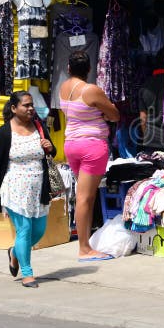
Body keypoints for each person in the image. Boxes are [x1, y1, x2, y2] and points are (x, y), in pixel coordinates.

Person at [0, 91, 56, 288]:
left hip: (38, 189)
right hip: (15, 188)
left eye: (31, 104)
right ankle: (27, 273)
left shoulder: (39, 127)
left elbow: (52, 151)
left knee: (39, 231)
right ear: (14, 108)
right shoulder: (4, 133)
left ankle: (14, 252)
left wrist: (50, 147)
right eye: (26, 105)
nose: (30, 108)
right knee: (24, 229)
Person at [59, 50, 120, 261]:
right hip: (91, 146)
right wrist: (104, 113)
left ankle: (86, 243)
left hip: (71, 145)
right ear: (89, 69)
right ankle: (84, 248)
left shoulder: (64, 88)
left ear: (68, 68)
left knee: (85, 196)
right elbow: (114, 114)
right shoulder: (91, 90)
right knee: (85, 197)